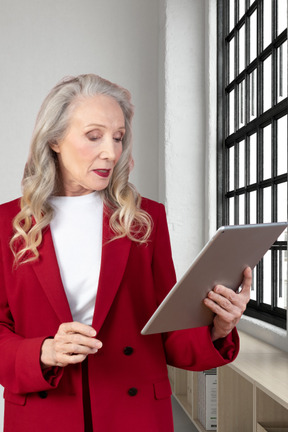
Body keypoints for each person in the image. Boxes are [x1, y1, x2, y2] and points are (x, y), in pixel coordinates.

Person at [0, 74, 251, 432]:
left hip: (134, 415)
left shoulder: (145, 219)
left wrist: (218, 328)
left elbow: (168, 332)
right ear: (54, 139)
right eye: (93, 136)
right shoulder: (8, 223)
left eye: (118, 137)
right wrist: (44, 352)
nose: (111, 152)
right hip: (44, 413)